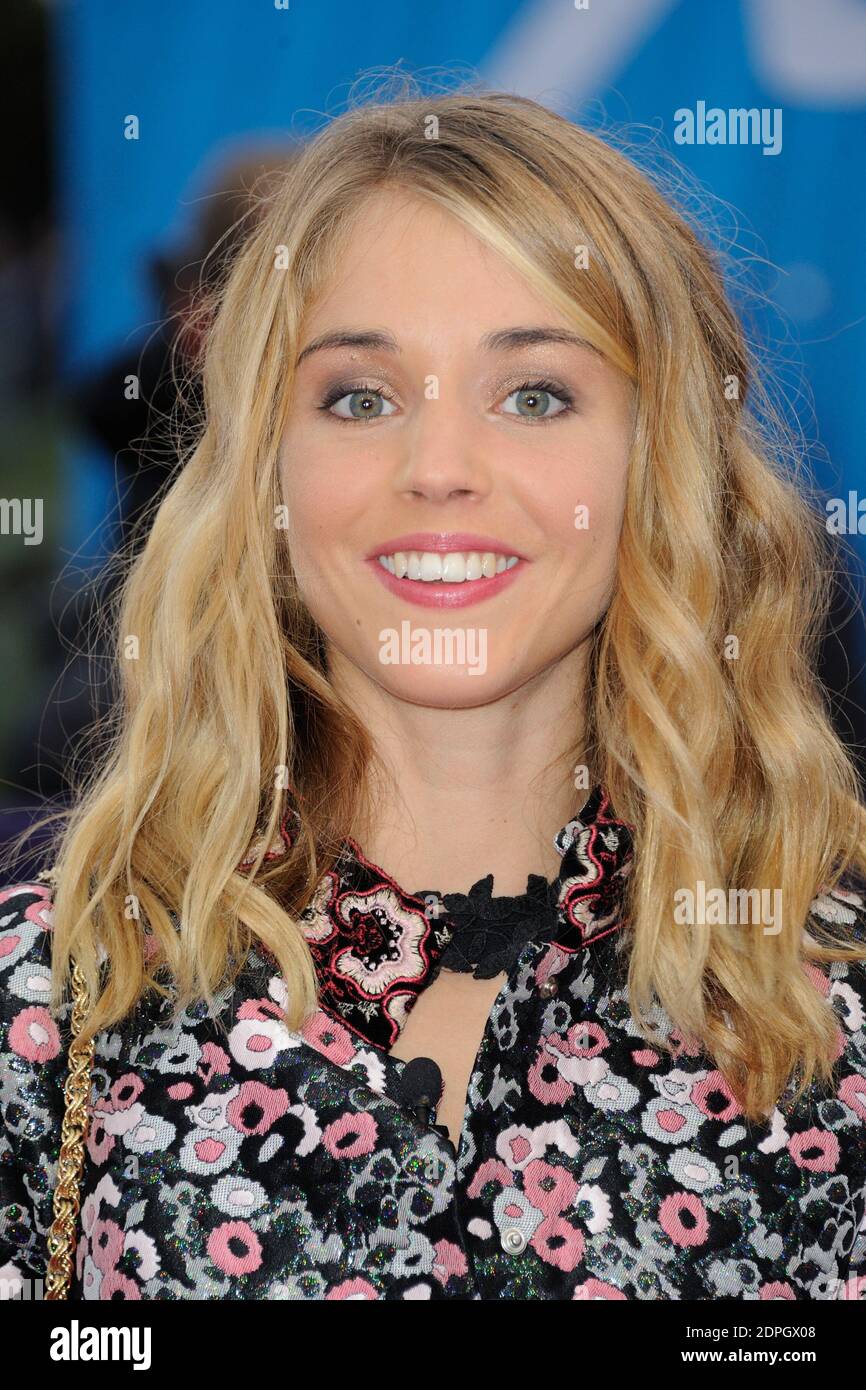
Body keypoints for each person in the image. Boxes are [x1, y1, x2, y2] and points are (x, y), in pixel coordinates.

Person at [1, 82, 865, 1303]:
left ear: (659, 458)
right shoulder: (51, 995)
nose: (439, 469)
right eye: (359, 395)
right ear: (263, 468)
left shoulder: (833, 1016)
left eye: (533, 394)